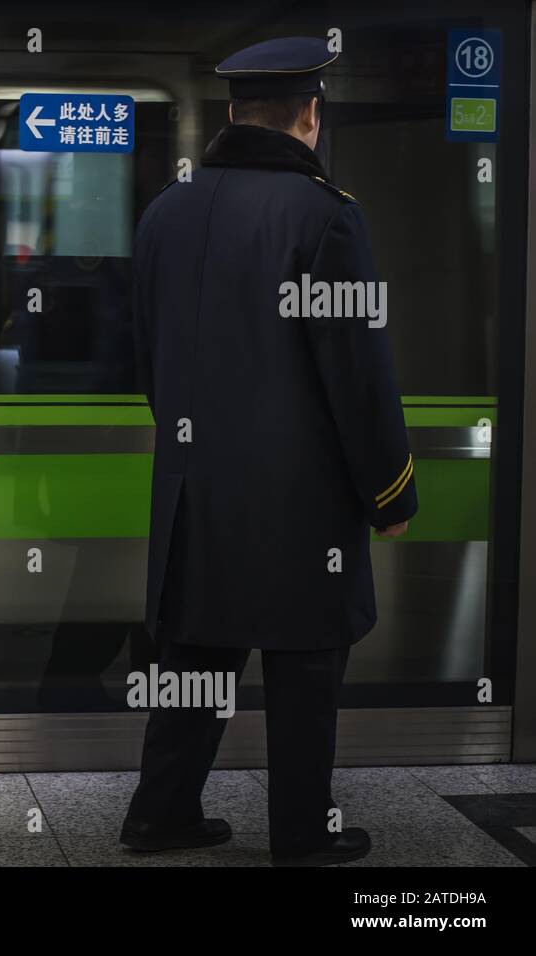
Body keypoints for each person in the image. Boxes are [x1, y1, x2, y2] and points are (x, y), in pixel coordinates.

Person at [121, 38, 418, 866]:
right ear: (311, 116)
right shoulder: (327, 216)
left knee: (195, 658)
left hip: (193, 493)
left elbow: (151, 363)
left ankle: (160, 815)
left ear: (232, 113)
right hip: (299, 504)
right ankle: (299, 834)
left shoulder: (164, 212)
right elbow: (357, 375)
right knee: (306, 666)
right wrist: (389, 493)